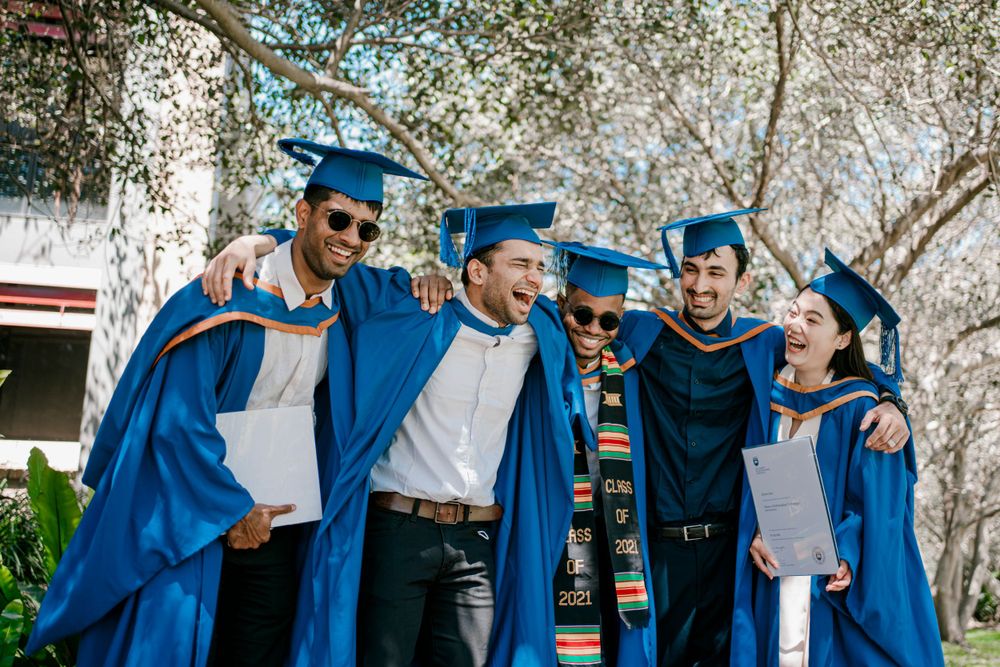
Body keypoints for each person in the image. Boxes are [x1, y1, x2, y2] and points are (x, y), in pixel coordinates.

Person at [25, 138, 428, 665]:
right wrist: (234, 511)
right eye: (338, 220)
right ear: (304, 212)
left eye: (367, 229)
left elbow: (410, 294)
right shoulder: (225, 295)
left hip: (281, 528)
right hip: (199, 522)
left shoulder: (348, 296)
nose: (351, 238)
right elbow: (177, 424)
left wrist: (435, 282)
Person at [208, 203, 590, 666]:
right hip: (398, 532)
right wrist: (256, 242)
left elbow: (600, 328)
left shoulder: (540, 332)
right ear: (475, 270)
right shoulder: (413, 308)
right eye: (521, 265)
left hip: (477, 543)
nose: (535, 278)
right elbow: (327, 254)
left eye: (540, 268)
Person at [616, 209, 910, 666]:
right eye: (690, 269)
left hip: (732, 554)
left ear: (742, 281)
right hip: (658, 551)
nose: (700, 284)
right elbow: (580, 330)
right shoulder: (644, 331)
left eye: (716, 272)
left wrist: (892, 401)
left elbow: (840, 369)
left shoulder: (763, 344)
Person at [731, 248, 943, 666]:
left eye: (813, 320)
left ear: (842, 338)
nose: (795, 325)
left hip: (826, 580)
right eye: (793, 312)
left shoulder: (862, 411)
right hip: (769, 572)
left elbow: (880, 509)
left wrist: (847, 551)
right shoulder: (765, 386)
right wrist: (756, 530)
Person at [545, 241, 665, 666]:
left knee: (615, 646)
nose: (594, 328)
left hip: (614, 532)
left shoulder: (628, 368)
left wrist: (884, 393)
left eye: (609, 319)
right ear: (561, 305)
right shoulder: (537, 359)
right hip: (553, 532)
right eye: (582, 314)